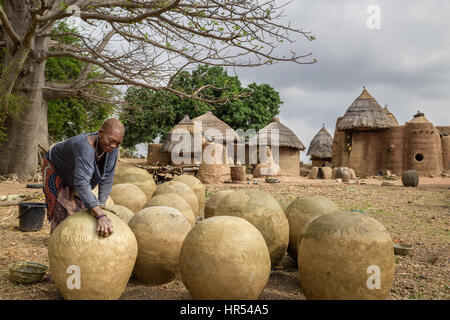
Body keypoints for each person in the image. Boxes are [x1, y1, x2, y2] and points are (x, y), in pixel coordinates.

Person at [42, 118, 124, 237]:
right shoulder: (84, 146)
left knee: (83, 209)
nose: (113, 145)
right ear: (100, 133)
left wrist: (101, 206)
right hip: (57, 167)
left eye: (118, 143)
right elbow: (82, 183)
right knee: (61, 210)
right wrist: (100, 215)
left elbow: (107, 177)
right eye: (111, 140)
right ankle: (58, 240)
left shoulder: (112, 149)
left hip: (75, 171)